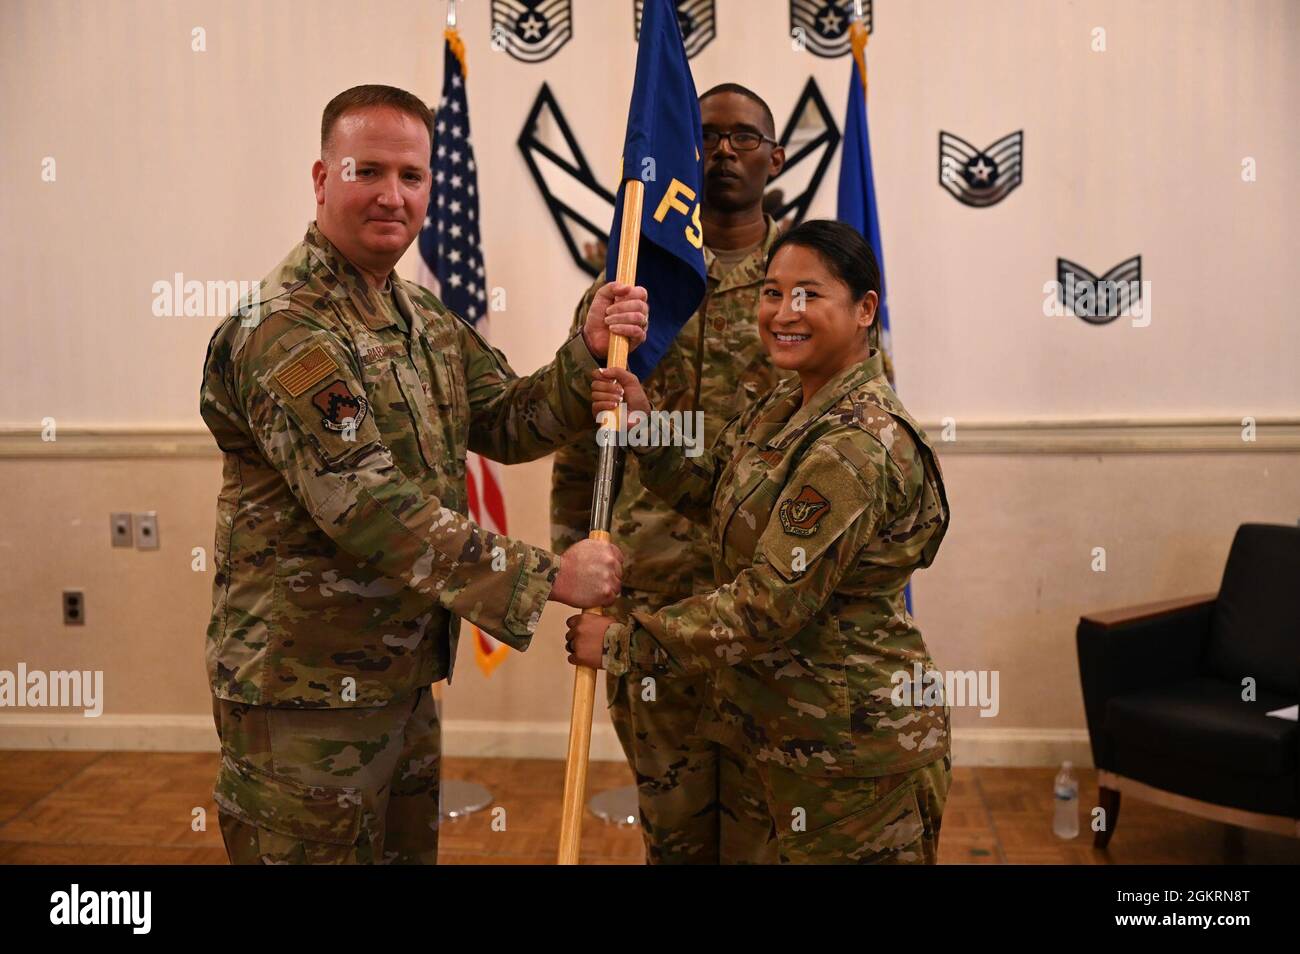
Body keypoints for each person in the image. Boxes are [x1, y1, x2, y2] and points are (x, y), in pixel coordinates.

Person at [200, 84, 646, 865]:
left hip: (399, 678)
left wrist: (585, 352)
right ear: (321, 177)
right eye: (367, 170)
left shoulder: (418, 317)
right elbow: (367, 506)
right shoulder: (284, 327)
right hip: (304, 697)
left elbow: (507, 419)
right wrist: (548, 577)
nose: (392, 195)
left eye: (412, 176)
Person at [566, 220, 952, 865]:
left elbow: (767, 606)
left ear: (864, 309)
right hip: (782, 733)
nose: (782, 312)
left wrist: (625, 642)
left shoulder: (854, 443)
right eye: (771, 293)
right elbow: (711, 488)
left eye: (808, 294)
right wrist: (643, 427)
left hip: (851, 749)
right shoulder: (787, 405)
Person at [550, 83, 788, 864]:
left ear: (775, 158)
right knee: (675, 834)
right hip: (649, 605)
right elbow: (584, 441)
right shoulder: (630, 282)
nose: (723, 151)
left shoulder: (805, 288)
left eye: (744, 137)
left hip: (765, 610)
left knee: (768, 834)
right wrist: (573, 564)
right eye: (709, 136)